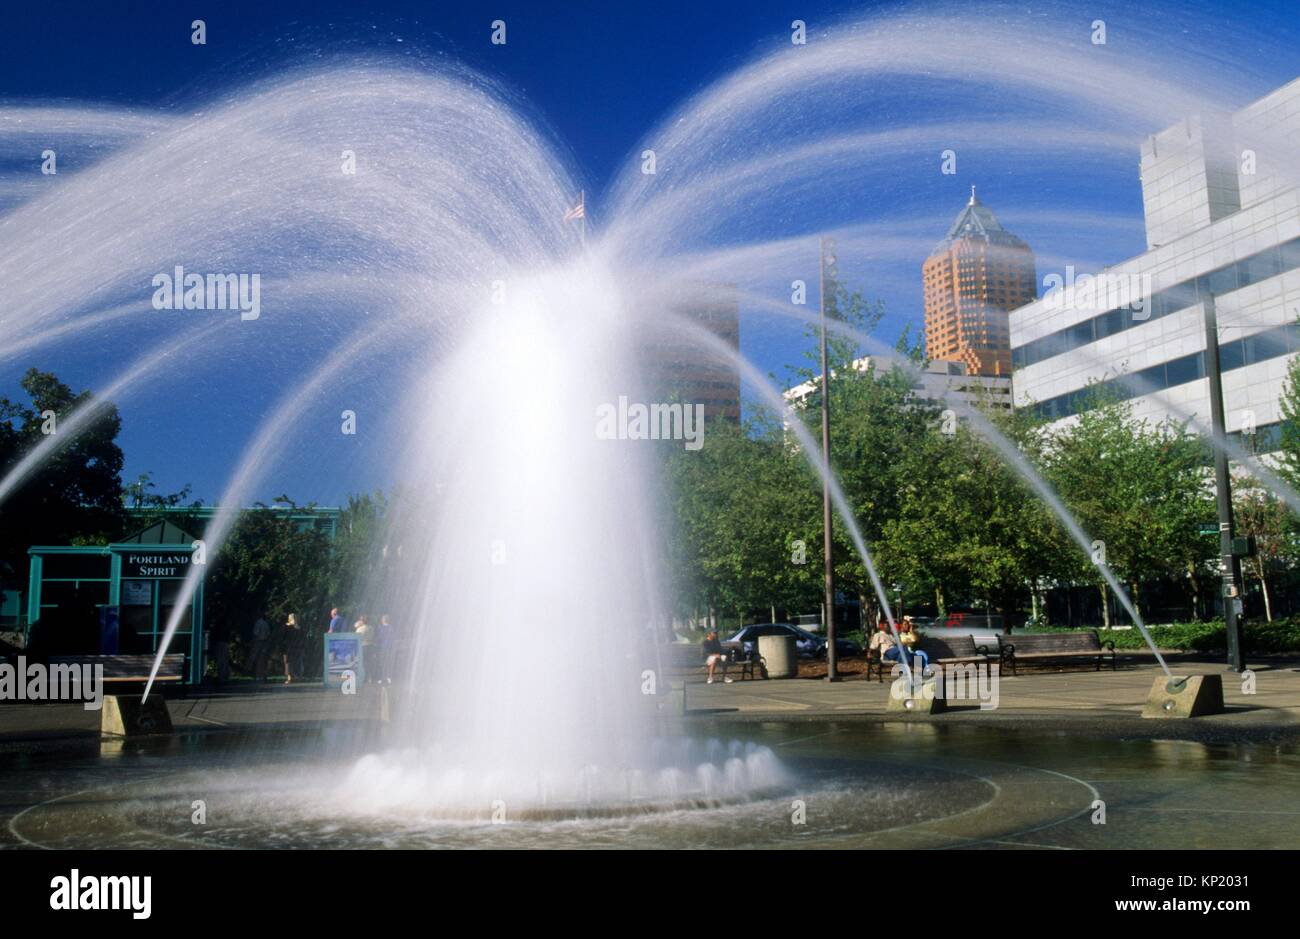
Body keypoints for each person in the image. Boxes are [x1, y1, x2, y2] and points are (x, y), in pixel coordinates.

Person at [282, 613, 304, 683]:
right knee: (297, 662)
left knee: (288, 663)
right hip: (297, 648)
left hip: (288, 648)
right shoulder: (299, 628)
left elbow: (283, 638)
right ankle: (298, 677)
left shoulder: (287, 627)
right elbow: (302, 639)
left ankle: (290, 678)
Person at [250, 615, 271, 682]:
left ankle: (258, 676)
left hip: (259, 642)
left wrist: (253, 643)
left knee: (257, 660)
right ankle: (263, 676)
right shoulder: (266, 623)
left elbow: (256, 634)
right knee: (263, 660)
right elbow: (268, 634)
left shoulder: (258, 622)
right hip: (265, 643)